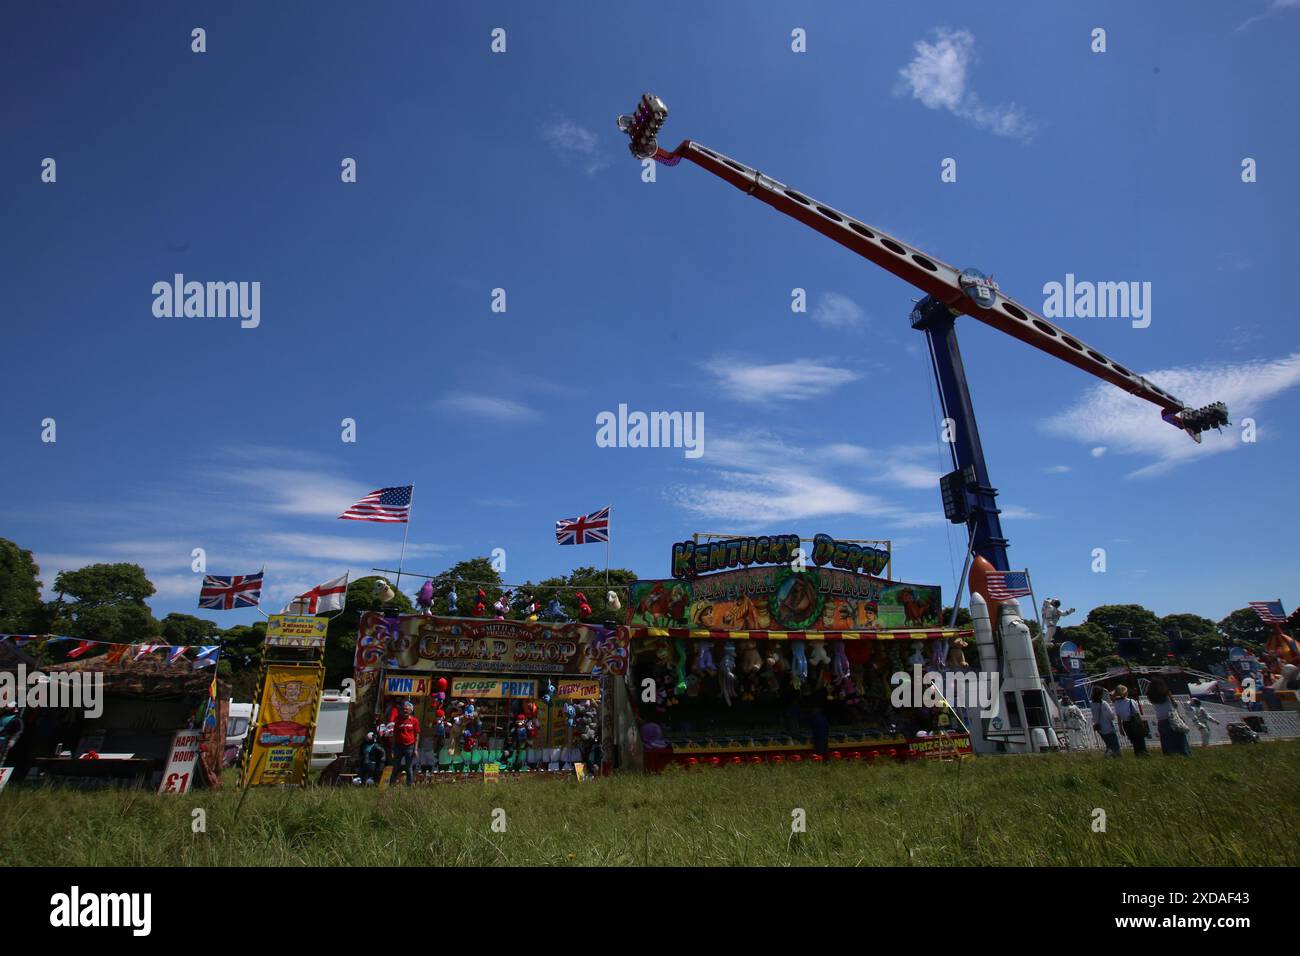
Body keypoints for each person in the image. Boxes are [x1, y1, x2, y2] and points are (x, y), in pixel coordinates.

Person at [1147, 679, 1192, 757]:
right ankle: (1184, 755)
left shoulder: (1151, 697)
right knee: (1180, 740)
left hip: (1161, 720)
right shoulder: (1167, 694)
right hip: (1171, 719)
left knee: (1167, 742)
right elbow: (1175, 705)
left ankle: (1170, 756)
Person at [389, 700, 420, 785]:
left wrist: (415, 749)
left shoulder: (414, 721)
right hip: (398, 746)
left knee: (409, 767)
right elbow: (394, 735)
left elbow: (417, 735)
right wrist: (392, 749)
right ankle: (392, 784)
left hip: (410, 746)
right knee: (396, 766)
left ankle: (410, 784)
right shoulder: (398, 720)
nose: (405, 711)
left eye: (407, 709)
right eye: (403, 709)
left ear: (410, 710)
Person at [1112, 685, 1147, 756]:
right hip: (1135, 723)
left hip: (1126, 724)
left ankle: (1138, 755)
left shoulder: (1116, 704)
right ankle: (1143, 754)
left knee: (1134, 742)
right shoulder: (1131, 701)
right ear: (1125, 693)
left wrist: (1120, 728)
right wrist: (1142, 725)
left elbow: (1118, 717)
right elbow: (1137, 714)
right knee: (1140, 741)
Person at [1089, 687, 1121, 757]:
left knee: (1108, 745)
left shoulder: (1091, 703)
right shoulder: (1104, 703)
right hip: (1108, 727)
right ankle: (1115, 757)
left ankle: (1108, 756)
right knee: (1115, 746)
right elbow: (1111, 716)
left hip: (1099, 728)